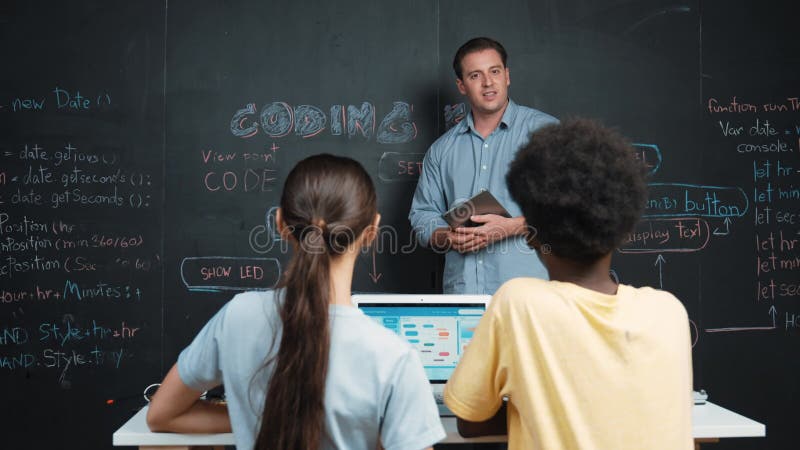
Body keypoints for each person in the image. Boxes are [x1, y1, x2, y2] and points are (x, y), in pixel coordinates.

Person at [147, 154, 445, 450]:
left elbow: (161, 414)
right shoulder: (393, 358)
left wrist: (258, 416)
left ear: (280, 223)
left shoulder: (237, 316)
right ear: (371, 232)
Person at [443, 119, 694, 450]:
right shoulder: (669, 311)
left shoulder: (519, 304)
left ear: (531, 236)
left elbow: (471, 421)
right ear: (624, 229)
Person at [409, 36, 558, 295]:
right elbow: (422, 215)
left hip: (529, 300)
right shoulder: (442, 150)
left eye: (495, 71)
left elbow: (577, 208)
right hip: (463, 301)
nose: (488, 83)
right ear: (462, 85)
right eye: (475, 75)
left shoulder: (546, 134)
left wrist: (512, 226)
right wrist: (445, 236)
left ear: (507, 76)